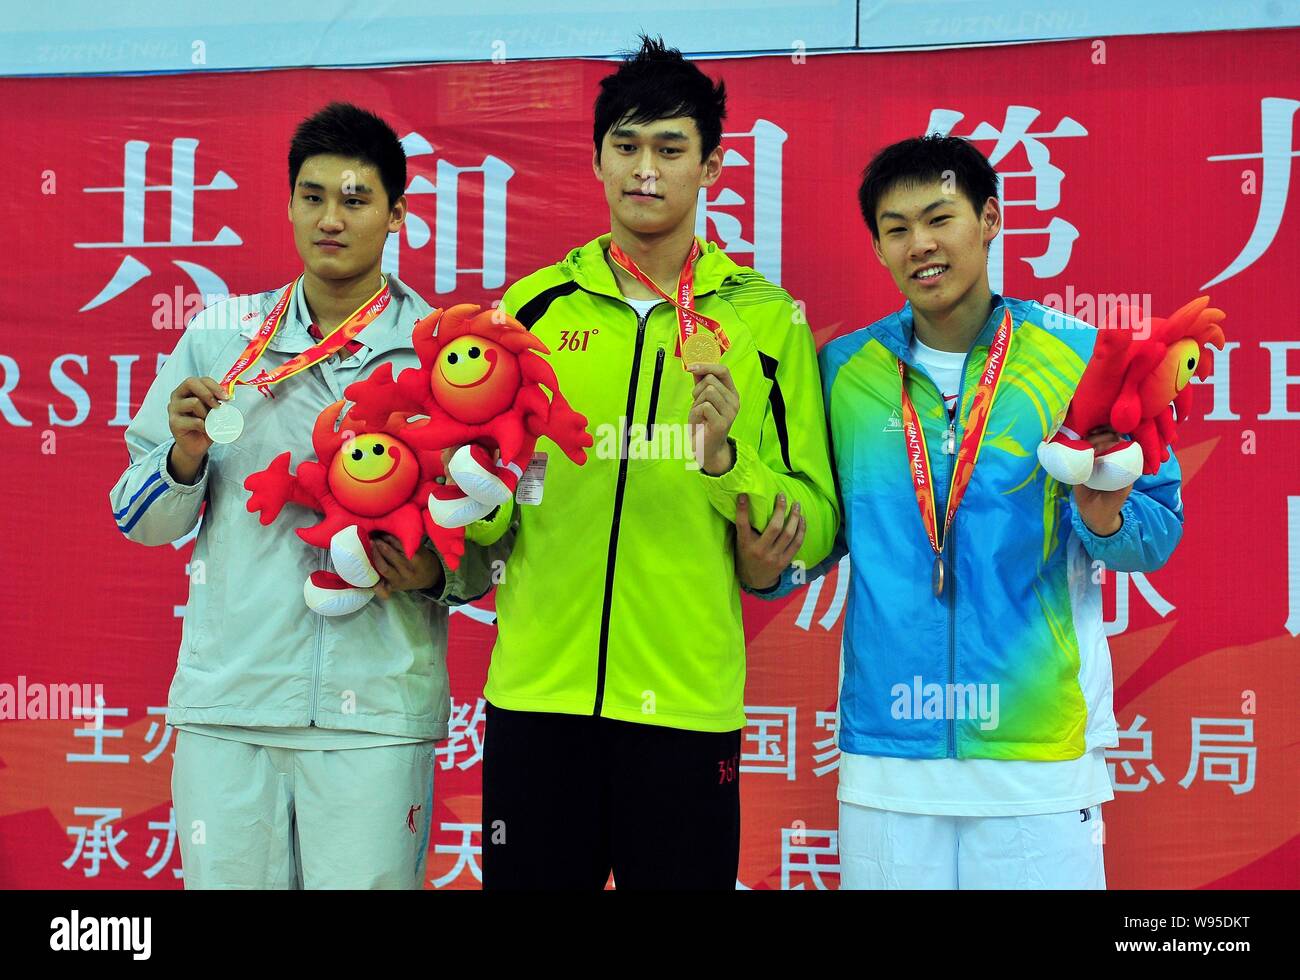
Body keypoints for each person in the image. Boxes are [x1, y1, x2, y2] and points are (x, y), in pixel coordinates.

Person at [465, 35, 840, 889]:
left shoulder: (763, 321)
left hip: (683, 707)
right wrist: (475, 497)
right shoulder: (530, 311)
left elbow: (813, 516)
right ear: (596, 157)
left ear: (711, 166)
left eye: (671, 149)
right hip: (536, 698)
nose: (646, 169)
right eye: (627, 146)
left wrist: (728, 467)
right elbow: (489, 503)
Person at [762, 134, 1183, 889]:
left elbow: (1155, 532)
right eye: (896, 229)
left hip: (1038, 760)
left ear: (989, 219)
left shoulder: (1081, 358)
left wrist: (1106, 518)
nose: (920, 244)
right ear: (879, 247)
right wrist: (763, 550)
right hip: (888, 763)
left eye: (939, 217)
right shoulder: (842, 375)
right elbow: (808, 538)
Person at [108, 102, 495, 889]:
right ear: (288, 204)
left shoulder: (446, 355)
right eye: (313, 197)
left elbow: (489, 544)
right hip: (231, 710)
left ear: (397, 215)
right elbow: (137, 518)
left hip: (375, 719)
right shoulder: (221, 340)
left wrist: (434, 576)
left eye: (355, 200)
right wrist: (181, 457)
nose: (330, 219)